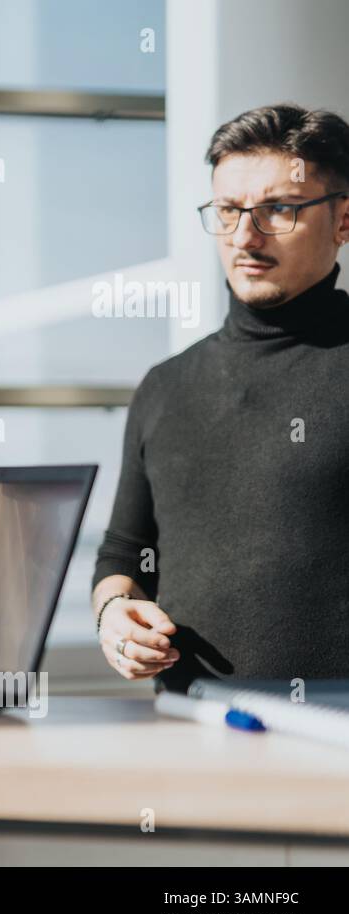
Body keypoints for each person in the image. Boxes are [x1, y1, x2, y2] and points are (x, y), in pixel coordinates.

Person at [93, 103, 349, 691]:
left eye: (277, 210)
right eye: (229, 210)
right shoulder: (164, 385)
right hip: (190, 741)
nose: (244, 236)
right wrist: (114, 614)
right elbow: (124, 556)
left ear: (342, 220)